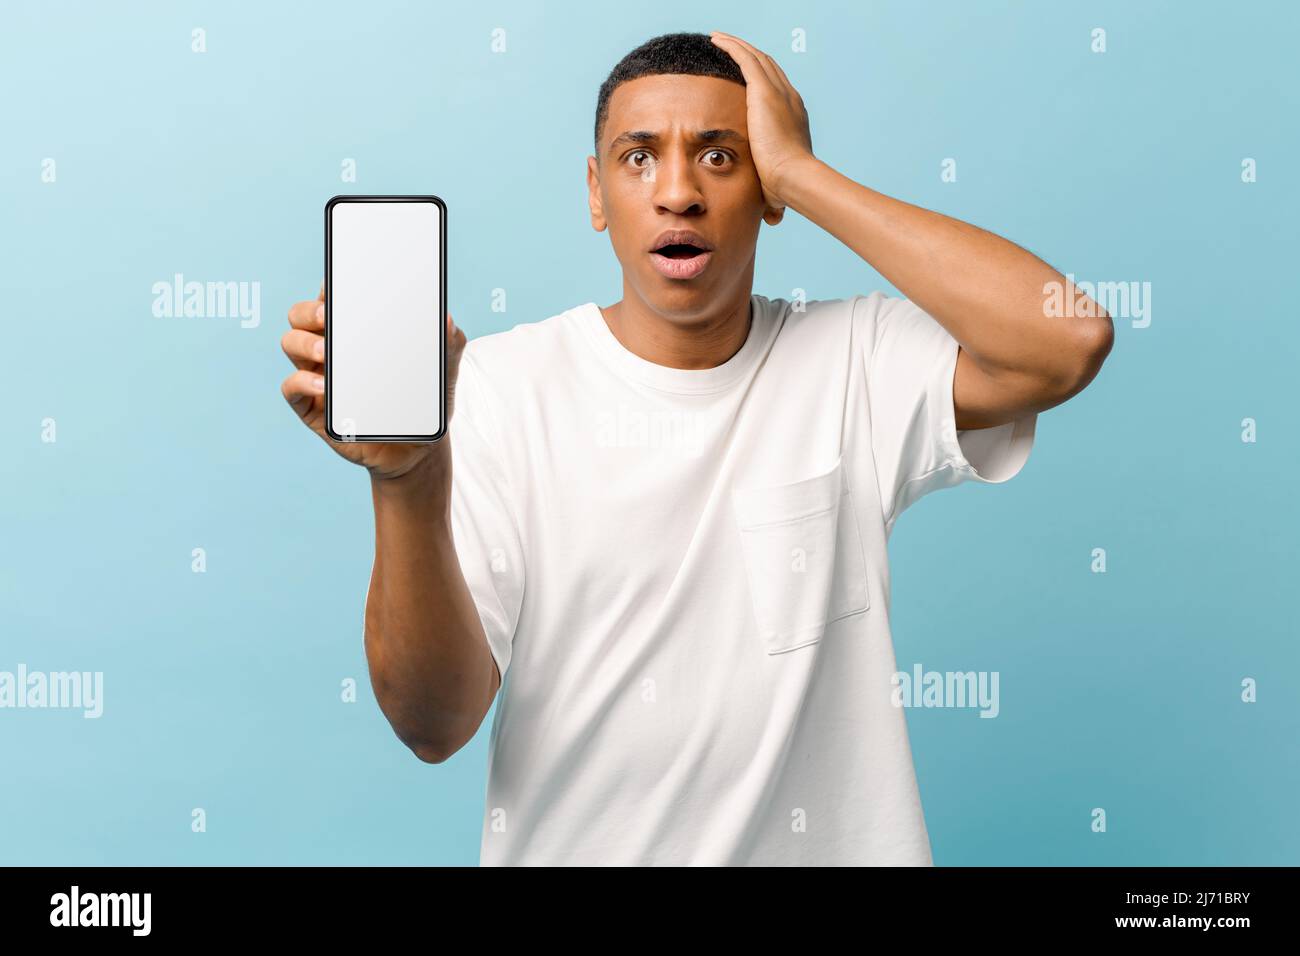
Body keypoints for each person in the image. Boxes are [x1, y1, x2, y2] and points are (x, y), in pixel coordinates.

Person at [280, 30, 1113, 865]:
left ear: (766, 189)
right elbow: (434, 723)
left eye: (721, 157)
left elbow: (1068, 339)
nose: (677, 192)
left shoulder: (856, 359)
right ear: (596, 193)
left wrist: (807, 176)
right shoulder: (498, 387)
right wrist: (409, 479)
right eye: (638, 158)